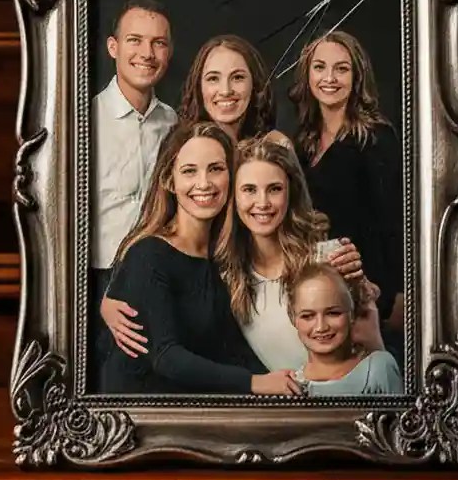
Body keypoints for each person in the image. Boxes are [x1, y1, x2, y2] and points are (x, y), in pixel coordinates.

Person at [100, 136, 382, 373]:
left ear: (290, 193)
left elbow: (374, 355)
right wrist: (110, 299)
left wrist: (364, 290)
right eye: (249, 190)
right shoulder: (224, 269)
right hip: (269, 415)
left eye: (274, 189)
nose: (263, 203)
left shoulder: (324, 258)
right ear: (232, 197)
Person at [97, 121, 302, 396]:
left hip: (198, 418)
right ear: (169, 181)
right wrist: (257, 383)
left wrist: (288, 384)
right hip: (140, 422)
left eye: (216, 169)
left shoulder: (223, 258)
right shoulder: (148, 254)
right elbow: (167, 357)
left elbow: (234, 349)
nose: (203, 183)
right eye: (189, 171)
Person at [287, 30, 404, 328]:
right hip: (322, 284)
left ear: (357, 77)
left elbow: (394, 222)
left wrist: (390, 294)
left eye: (341, 68)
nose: (330, 78)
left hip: (369, 287)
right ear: (308, 74)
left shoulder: (376, 137)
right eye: (320, 67)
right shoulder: (304, 142)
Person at [89, 0, 179, 321]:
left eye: (158, 43)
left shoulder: (174, 124)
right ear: (113, 47)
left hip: (159, 277)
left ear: (169, 52)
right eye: (135, 40)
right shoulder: (84, 120)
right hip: (95, 281)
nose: (147, 54)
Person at [287, 262, 403, 396]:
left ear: (352, 314)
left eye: (333, 313)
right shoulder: (290, 386)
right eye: (307, 316)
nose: (321, 327)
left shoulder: (380, 368)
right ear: (292, 317)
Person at [177, 34, 292, 149]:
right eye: (213, 79)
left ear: (255, 83)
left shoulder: (275, 146)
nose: (226, 91)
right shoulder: (183, 149)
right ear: (199, 87)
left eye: (237, 77)